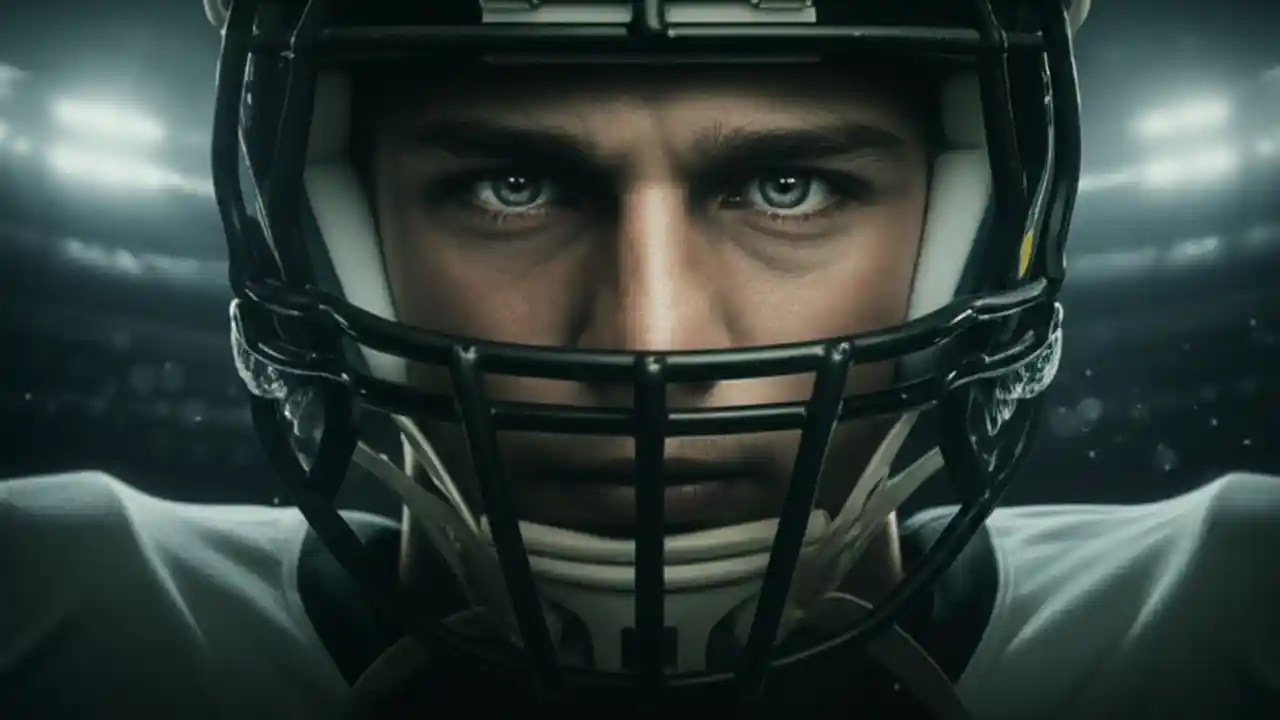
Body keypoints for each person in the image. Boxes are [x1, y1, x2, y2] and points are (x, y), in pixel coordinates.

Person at [2, 1, 1278, 717]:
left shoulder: (1237, 617)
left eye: (786, 185)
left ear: (977, 233)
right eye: (511, 186)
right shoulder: (49, 615)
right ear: (325, 235)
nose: (650, 339)